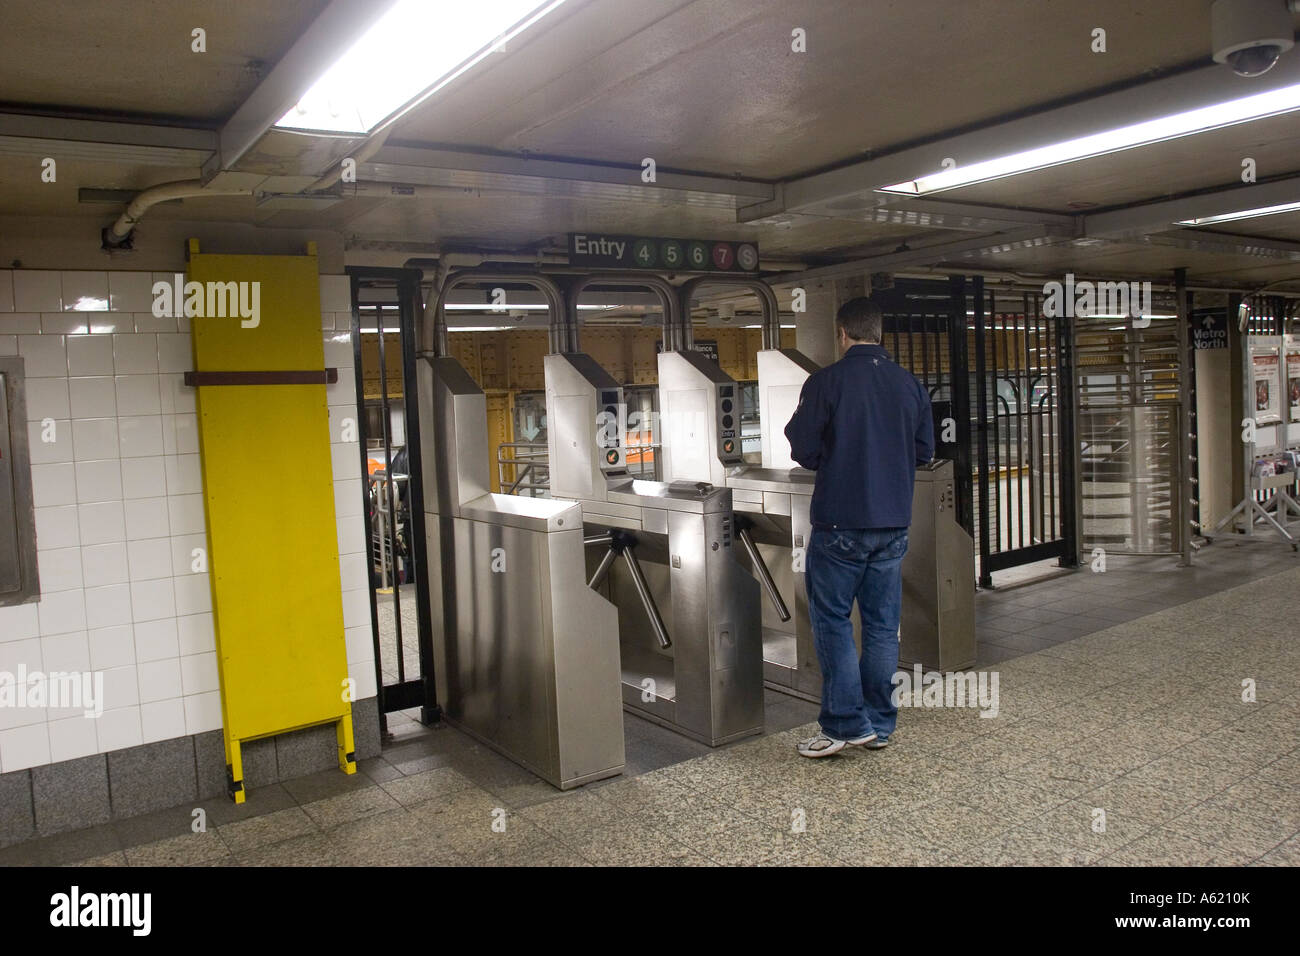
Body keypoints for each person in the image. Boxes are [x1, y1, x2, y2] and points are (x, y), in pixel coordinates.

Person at [784, 296, 934, 757]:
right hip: (893, 524)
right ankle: (879, 724)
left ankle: (845, 724)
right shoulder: (909, 384)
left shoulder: (826, 381)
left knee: (831, 621)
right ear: (879, 333)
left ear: (842, 333)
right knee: (883, 627)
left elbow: (803, 448)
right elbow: (924, 451)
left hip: (840, 523)